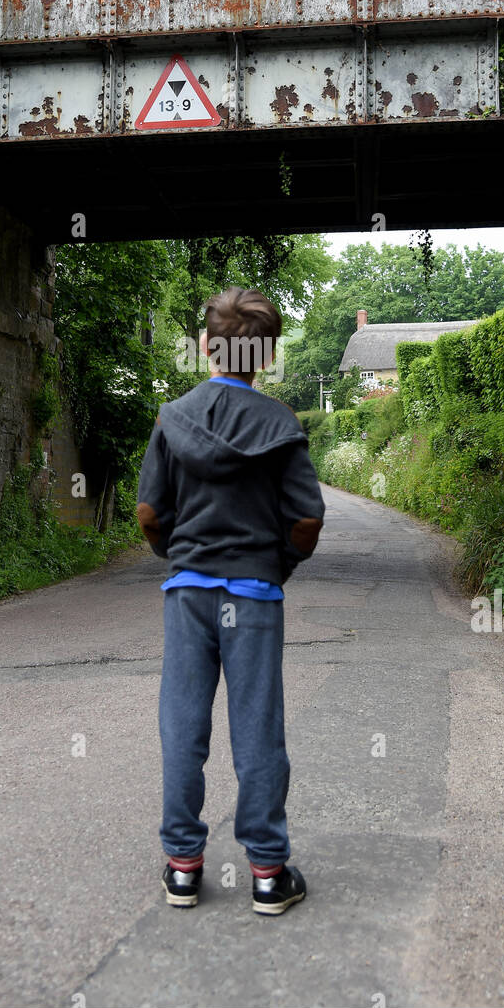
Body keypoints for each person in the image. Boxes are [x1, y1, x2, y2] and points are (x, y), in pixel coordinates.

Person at [136, 287, 326, 915]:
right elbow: (305, 518)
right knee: (258, 730)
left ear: (204, 347)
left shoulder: (172, 418)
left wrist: (180, 557)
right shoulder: (281, 425)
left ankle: (182, 867)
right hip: (254, 595)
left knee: (182, 728)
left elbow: (147, 511)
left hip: (189, 593)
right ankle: (269, 873)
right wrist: (279, 565)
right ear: (265, 356)